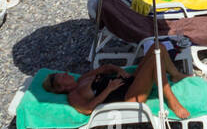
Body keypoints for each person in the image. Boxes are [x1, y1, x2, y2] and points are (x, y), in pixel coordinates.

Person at [41, 46, 191, 119]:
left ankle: (176, 74)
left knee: (157, 47)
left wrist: (118, 70)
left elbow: (105, 68)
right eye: (63, 76)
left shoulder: (82, 79)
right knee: (154, 60)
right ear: (61, 87)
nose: (67, 74)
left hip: (130, 82)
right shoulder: (74, 96)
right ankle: (172, 101)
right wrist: (108, 89)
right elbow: (87, 109)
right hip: (130, 98)